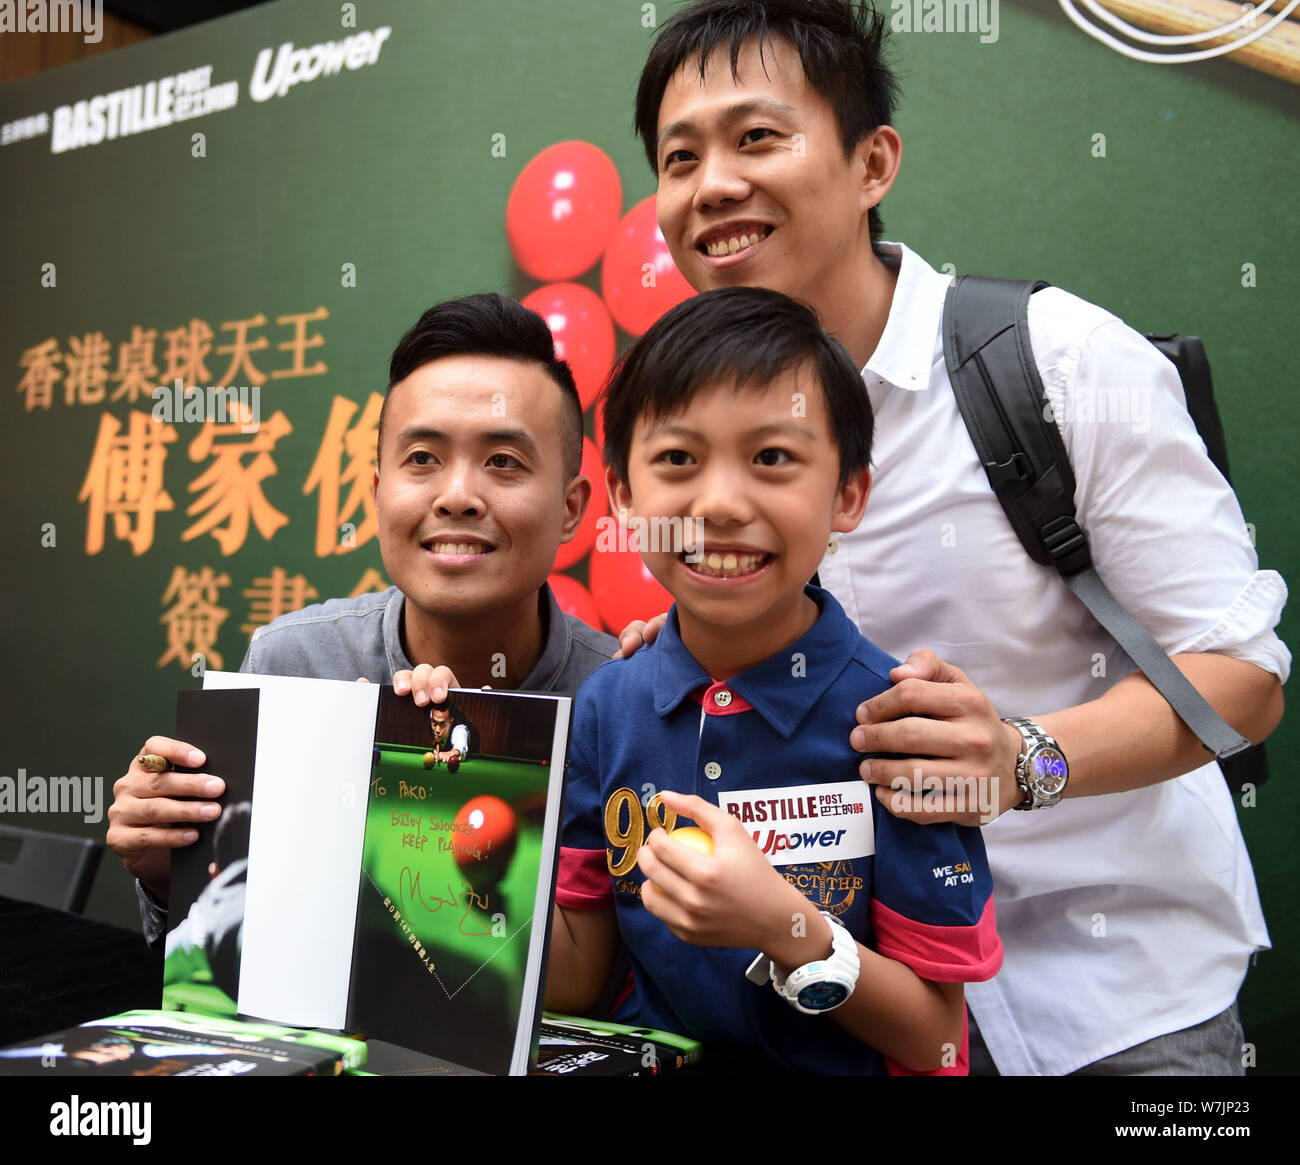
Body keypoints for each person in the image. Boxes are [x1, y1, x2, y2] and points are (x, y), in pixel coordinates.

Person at [622, 0, 1288, 1075]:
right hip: (852, 1012)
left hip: (1114, 1007)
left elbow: (1241, 679)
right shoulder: (694, 433)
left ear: (872, 160)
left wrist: (1022, 759)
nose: (712, 187)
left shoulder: (1055, 361)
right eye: (678, 157)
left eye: (756, 138)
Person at [548, 286, 1003, 1075]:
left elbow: (936, 1038)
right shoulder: (607, 706)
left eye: (773, 458)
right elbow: (580, 975)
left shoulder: (899, 727)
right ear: (624, 495)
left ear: (848, 493)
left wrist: (787, 927)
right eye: (678, 460)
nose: (721, 504)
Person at [107, 293, 617, 944]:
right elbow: (231, 941)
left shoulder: (621, 700)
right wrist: (164, 872)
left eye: (503, 462)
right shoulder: (292, 665)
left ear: (572, 507)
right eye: (423, 459)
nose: (457, 496)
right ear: (377, 494)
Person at [428, 703, 469, 770]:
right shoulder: (433, 717)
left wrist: (451, 753)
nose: (437, 730)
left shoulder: (459, 729)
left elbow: (461, 745)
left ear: (451, 720)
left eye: (442, 724)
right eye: (434, 723)